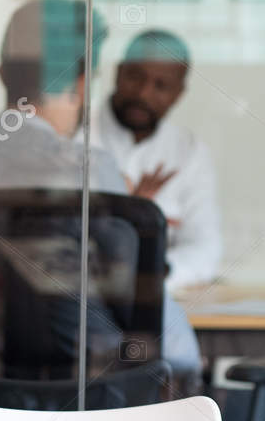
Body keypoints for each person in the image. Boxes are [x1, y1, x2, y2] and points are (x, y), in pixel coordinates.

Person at [0, 0, 201, 380]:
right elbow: (147, 314)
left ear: (2, 73)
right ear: (81, 82)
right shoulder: (92, 170)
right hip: (101, 401)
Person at [94, 29, 222, 290]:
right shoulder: (74, 135)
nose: (143, 93)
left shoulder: (189, 153)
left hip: (157, 299)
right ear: (118, 73)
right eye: (135, 77)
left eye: (161, 86)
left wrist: (153, 271)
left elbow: (206, 249)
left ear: (178, 94)